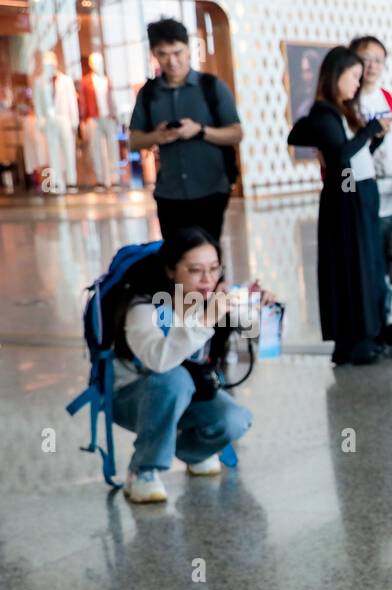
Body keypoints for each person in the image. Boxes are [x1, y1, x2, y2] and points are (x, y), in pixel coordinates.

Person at [113, 227, 265, 504]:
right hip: (131, 398)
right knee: (174, 379)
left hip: (185, 396)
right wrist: (206, 320)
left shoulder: (213, 299)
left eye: (214, 269)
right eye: (195, 270)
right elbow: (160, 361)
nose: (207, 279)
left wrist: (259, 309)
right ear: (171, 271)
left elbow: (258, 337)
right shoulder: (144, 307)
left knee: (234, 420)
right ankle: (143, 470)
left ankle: (190, 452)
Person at [288, 46, 390, 365]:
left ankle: (365, 334)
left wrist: (376, 136)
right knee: (351, 266)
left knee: (365, 264)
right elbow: (340, 156)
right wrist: (371, 130)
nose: (357, 84)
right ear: (337, 75)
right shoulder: (323, 113)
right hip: (345, 195)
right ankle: (353, 340)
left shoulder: (343, 110)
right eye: (354, 77)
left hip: (359, 191)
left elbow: (356, 152)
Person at [128, 18, 242, 242]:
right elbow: (134, 141)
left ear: (189, 49)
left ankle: (213, 279)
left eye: (177, 52)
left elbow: (236, 133)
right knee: (176, 262)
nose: (172, 61)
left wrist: (199, 130)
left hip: (211, 189)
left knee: (208, 256)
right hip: (169, 193)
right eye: (163, 54)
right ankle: (179, 281)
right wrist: (157, 136)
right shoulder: (149, 93)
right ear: (154, 54)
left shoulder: (212, 86)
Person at [349, 35, 392, 349]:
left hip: (391, 196)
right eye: (365, 59)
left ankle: (384, 320)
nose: (372, 65)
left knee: (389, 262)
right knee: (368, 262)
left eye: (378, 59)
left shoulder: (391, 100)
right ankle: (369, 324)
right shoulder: (348, 101)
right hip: (361, 195)